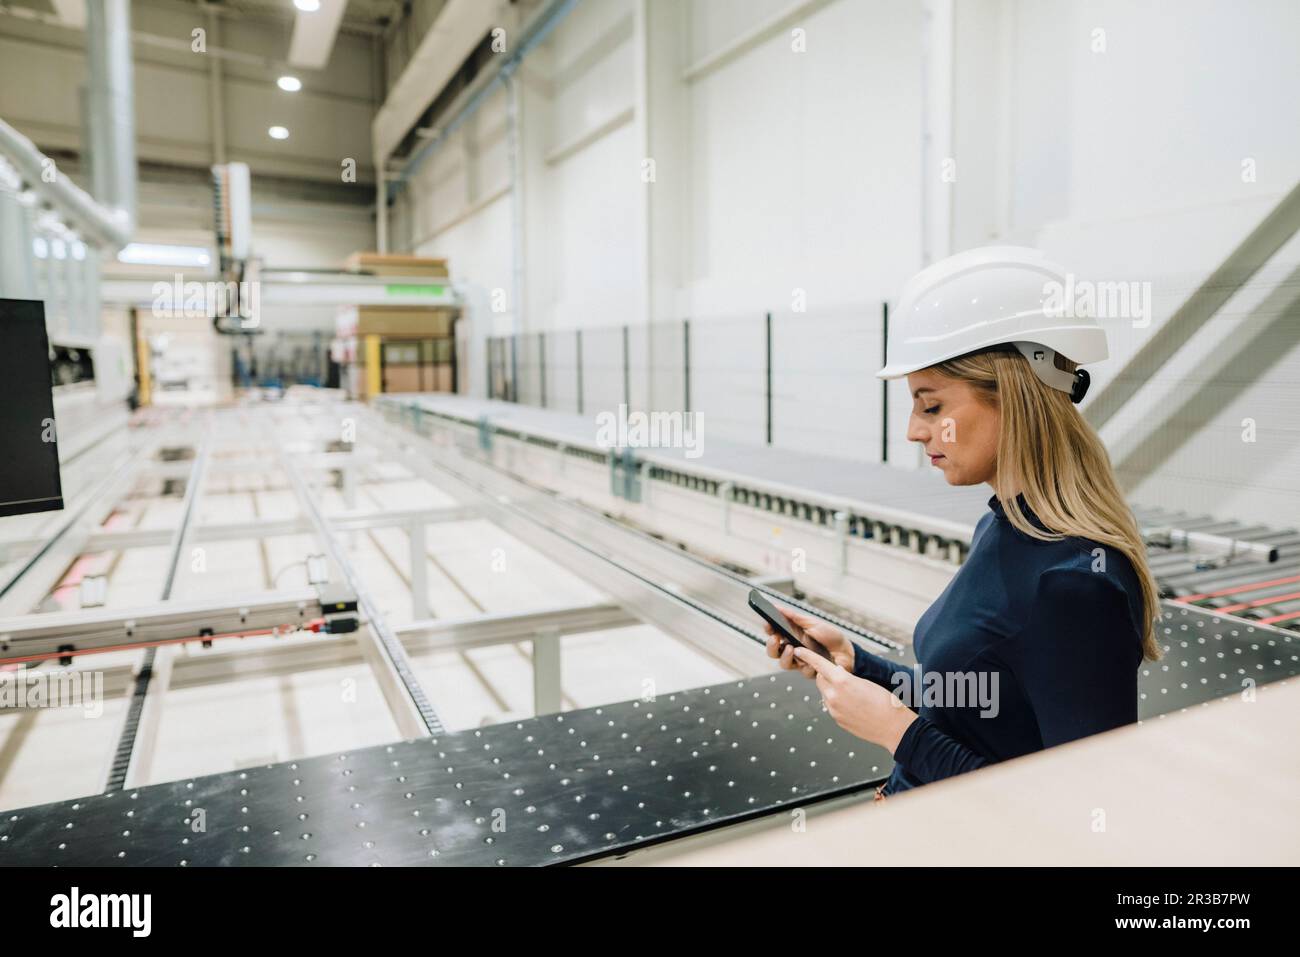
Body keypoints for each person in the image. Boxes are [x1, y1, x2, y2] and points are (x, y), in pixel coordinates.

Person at [766, 246, 1161, 800]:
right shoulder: (1003, 528)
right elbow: (982, 705)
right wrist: (862, 666)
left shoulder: (1074, 582)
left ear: (1015, 400)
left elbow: (1081, 804)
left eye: (931, 406)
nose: (913, 431)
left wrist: (897, 733)